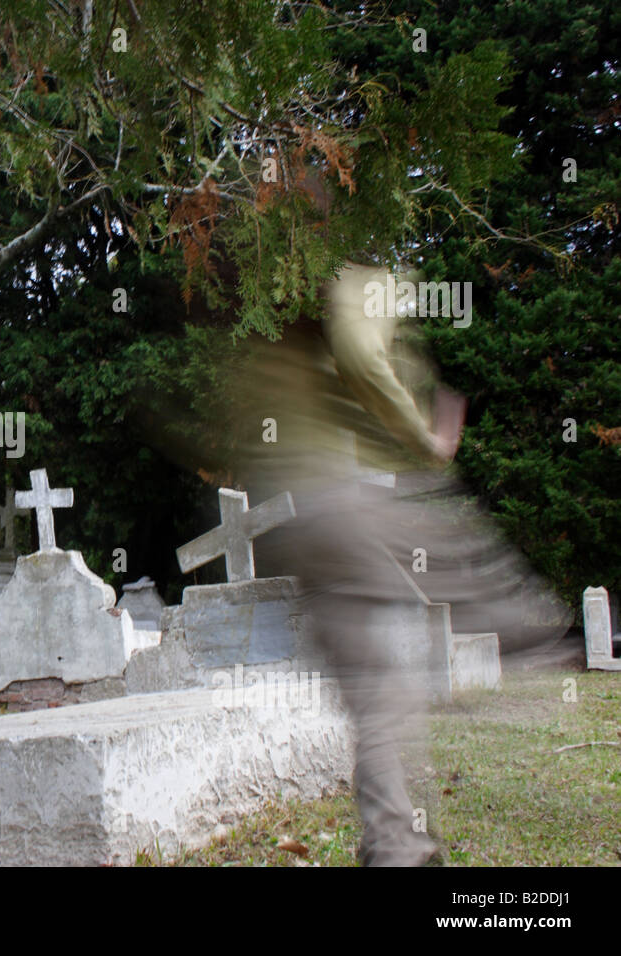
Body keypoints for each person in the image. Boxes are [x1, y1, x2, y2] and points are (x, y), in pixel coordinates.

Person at [238, 261, 566, 866]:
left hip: (296, 520)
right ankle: (532, 631)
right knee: (451, 560)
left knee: (378, 697)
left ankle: (394, 847)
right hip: (342, 502)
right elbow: (363, 359)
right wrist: (427, 439)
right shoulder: (367, 278)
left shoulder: (268, 310)